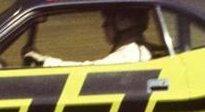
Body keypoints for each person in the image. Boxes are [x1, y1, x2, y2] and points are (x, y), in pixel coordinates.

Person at [24, 8, 153, 67]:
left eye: (107, 22)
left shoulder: (129, 53)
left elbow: (88, 70)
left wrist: (45, 61)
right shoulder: (136, 49)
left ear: (122, 23)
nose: (103, 27)